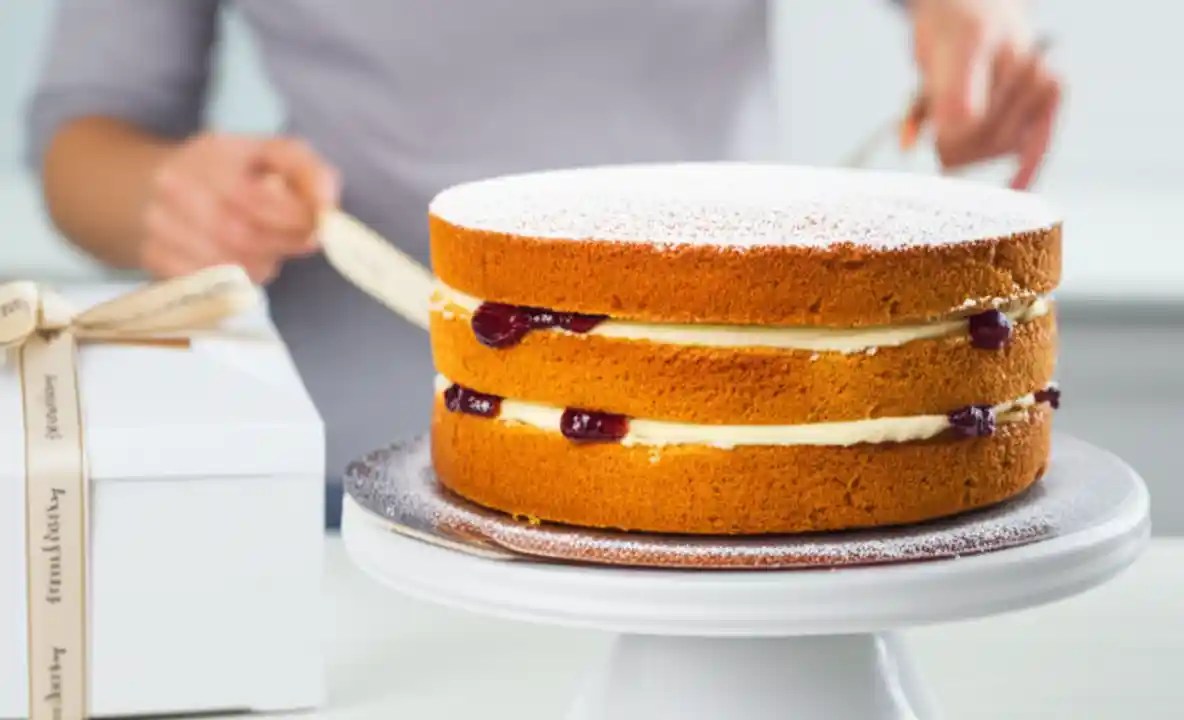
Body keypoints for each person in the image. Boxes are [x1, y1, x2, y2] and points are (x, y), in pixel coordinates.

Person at [26, 0, 1061, 525]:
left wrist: (969, 21)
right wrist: (170, 193)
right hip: (345, 476)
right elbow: (83, 130)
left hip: (759, 449)